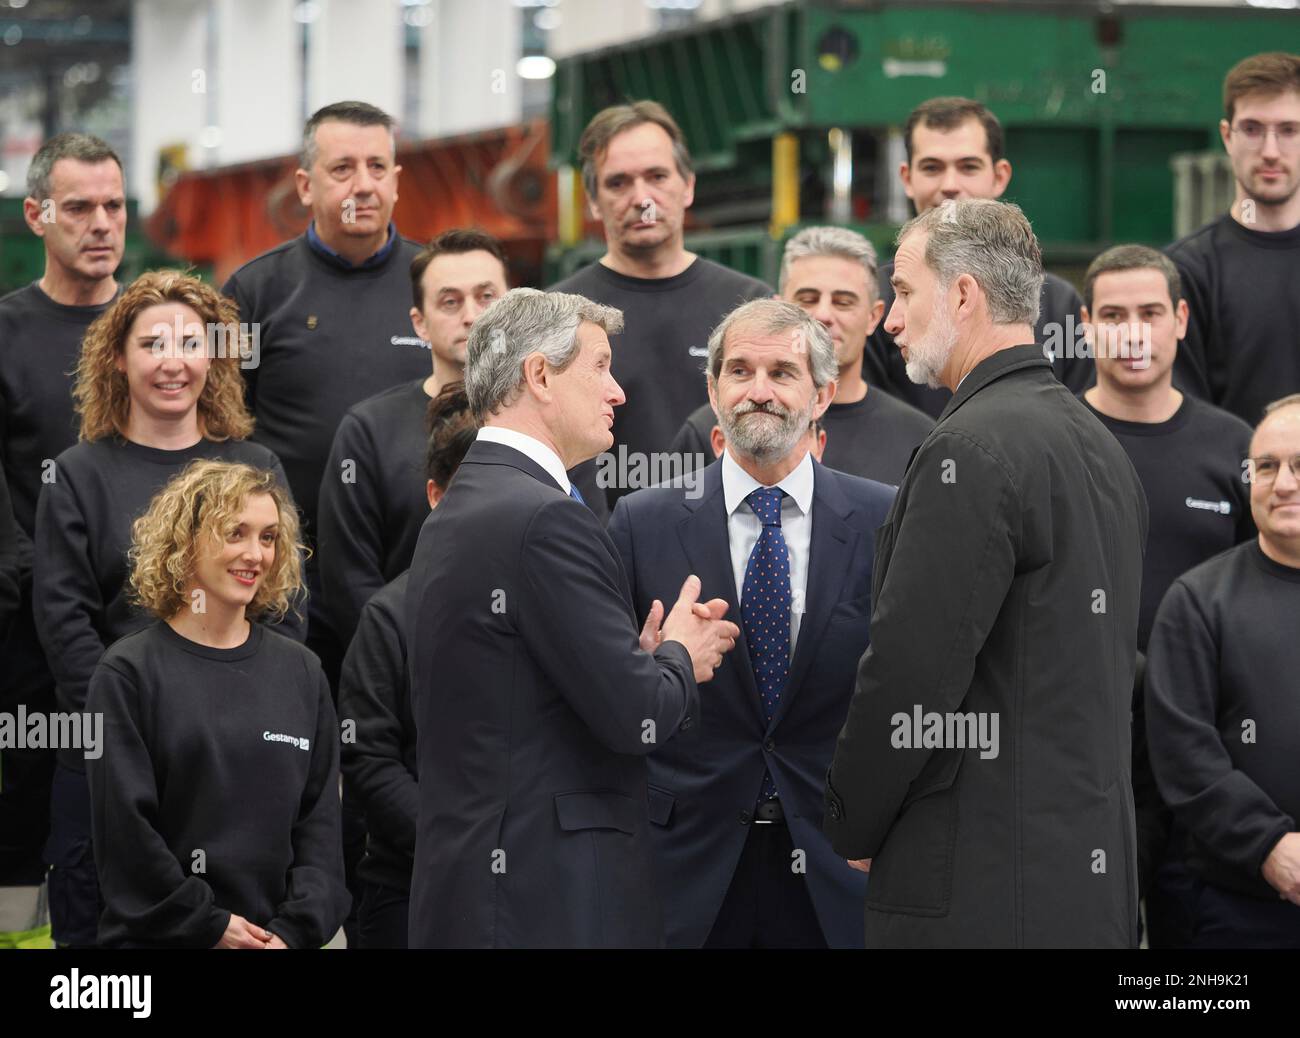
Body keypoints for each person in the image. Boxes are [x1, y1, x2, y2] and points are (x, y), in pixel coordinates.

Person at [825, 199, 1147, 948]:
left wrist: (851, 817)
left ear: (963, 294)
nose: (890, 321)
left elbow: (910, 673)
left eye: (903, 292)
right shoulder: (1101, 447)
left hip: (982, 883)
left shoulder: (968, 451)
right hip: (1082, 882)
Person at [405, 288, 739, 948]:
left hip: (487, 890)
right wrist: (679, 652)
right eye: (600, 367)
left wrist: (631, 656)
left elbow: (526, 689)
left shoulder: (469, 501)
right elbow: (635, 715)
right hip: (546, 899)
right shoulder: (545, 517)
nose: (618, 392)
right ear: (539, 375)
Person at [609, 299, 896, 948]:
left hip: (838, 864)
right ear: (713, 392)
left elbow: (912, 685)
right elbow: (608, 693)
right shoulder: (640, 522)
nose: (758, 391)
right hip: (686, 869)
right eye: (739, 371)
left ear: (822, 395)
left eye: (782, 373)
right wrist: (646, 663)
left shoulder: (888, 519)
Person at [33, 270, 299, 948]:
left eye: (190, 341)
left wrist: (220, 724)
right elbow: (63, 621)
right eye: (152, 343)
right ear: (118, 358)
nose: (173, 360)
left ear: (213, 356)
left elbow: (285, 607)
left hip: (233, 766)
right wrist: (131, 731)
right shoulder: (76, 475)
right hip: (109, 763)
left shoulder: (256, 464)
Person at [88, 460, 348, 948]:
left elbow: (321, 834)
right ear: (185, 543)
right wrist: (209, 925)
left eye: (269, 537)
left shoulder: (303, 672)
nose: (256, 554)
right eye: (236, 533)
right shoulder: (128, 674)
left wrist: (290, 933)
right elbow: (126, 839)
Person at [317, 229, 602, 653]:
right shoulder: (367, 431)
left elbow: (592, 553)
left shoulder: (560, 421)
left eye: (488, 297)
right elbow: (349, 582)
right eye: (450, 302)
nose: (472, 316)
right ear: (419, 322)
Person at [222, 101, 427, 688]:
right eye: (342, 169)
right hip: (285, 574)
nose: (363, 185)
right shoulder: (253, 292)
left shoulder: (438, 283)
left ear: (396, 181)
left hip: (414, 566)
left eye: (377, 167)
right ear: (306, 186)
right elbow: (220, 426)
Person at [0, 133, 124, 939]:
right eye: (78, 207)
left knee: (124, 790)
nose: (101, 223)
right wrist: (24, 570)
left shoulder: (160, 328)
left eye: (114, 206)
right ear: (36, 215)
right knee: (24, 792)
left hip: (139, 612)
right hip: (23, 621)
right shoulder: (6, 331)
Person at [549, 101, 770, 508]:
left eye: (656, 176)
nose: (641, 197)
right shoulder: (559, 316)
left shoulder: (750, 306)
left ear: (688, 185)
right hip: (601, 549)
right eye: (618, 183)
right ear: (593, 201)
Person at [1145, 394, 1300, 948]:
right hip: (1235, 909)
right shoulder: (1198, 601)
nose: (1283, 483)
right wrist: (1270, 847)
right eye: (1267, 467)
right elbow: (1185, 754)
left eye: (1299, 466)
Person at [338, 382, 477, 949]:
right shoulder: (390, 616)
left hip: (534, 885)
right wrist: (458, 845)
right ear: (436, 496)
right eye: (472, 490)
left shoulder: (557, 603)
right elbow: (369, 758)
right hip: (413, 887)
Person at [863, 97, 1089, 418]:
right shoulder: (875, 303)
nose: (950, 186)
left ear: (1000, 176)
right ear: (906, 179)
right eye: (932, 168)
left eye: (968, 166)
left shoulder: (1058, 302)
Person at [670, 227, 932, 485]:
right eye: (807, 299)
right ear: (779, 304)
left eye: (843, 302)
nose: (824, 315)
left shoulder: (917, 438)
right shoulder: (708, 429)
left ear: (874, 316)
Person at [1167, 52, 1300, 427]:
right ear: (1228, 136)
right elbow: (1187, 423)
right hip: (1234, 484)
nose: (1271, 151)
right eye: (1253, 129)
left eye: (1289, 130)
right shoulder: (1187, 272)